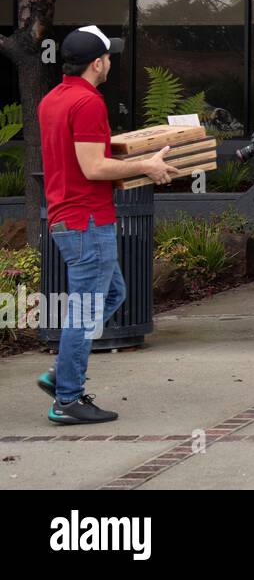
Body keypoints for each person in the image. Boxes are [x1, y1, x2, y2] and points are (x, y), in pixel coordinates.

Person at [38, 26, 178, 424]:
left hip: (70, 216)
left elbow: (80, 158)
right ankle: (68, 398)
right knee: (85, 310)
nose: (111, 61)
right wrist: (146, 165)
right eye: (109, 56)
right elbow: (93, 166)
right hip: (86, 220)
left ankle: (62, 371)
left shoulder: (53, 99)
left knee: (113, 292)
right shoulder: (87, 102)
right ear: (97, 63)